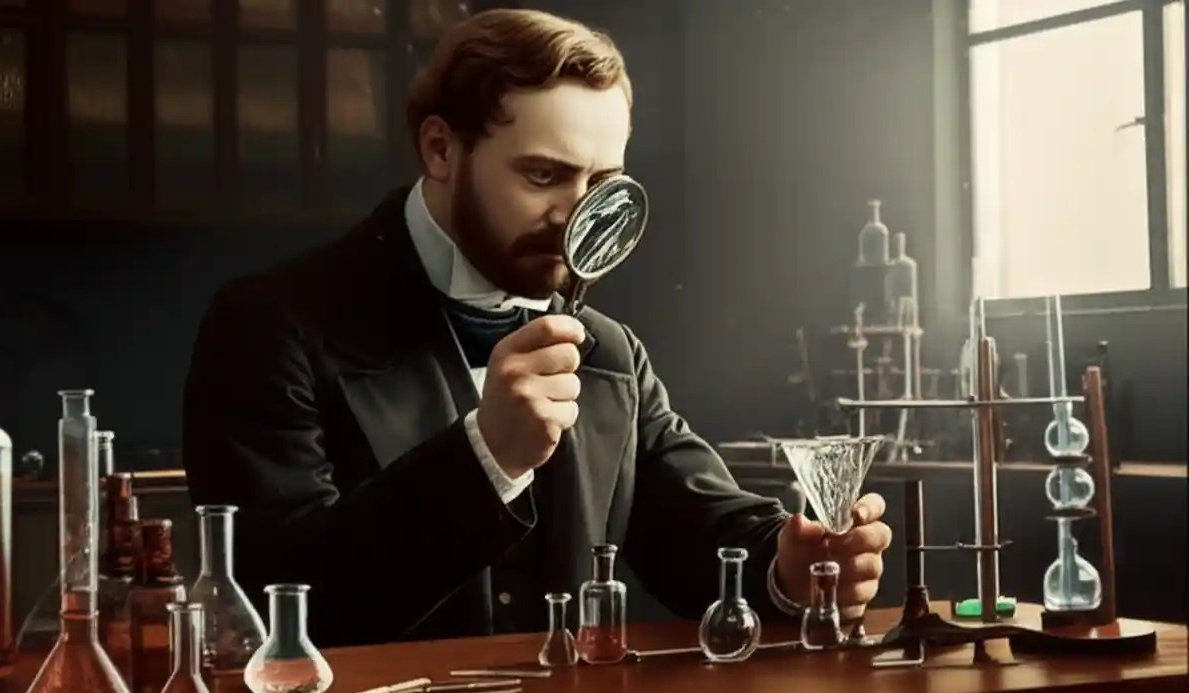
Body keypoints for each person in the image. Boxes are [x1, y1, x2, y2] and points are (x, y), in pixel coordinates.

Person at [182, 8, 891, 648]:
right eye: (544, 176)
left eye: (601, 184)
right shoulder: (272, 326)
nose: (574, 219)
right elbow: (274, 605)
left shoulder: (610, 352)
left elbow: (695, 532)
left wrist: (788, 569)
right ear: (440, 149)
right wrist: (486, 456)